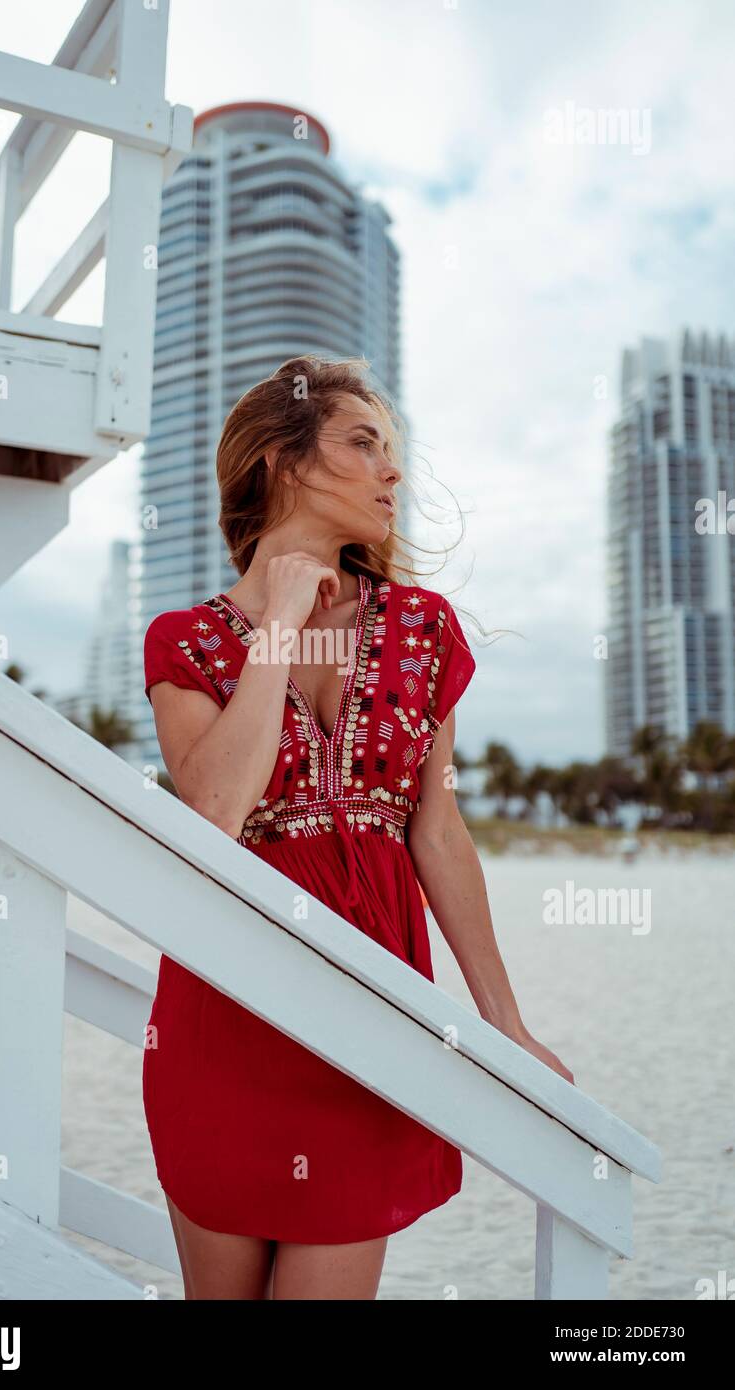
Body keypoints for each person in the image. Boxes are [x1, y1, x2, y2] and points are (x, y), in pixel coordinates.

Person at [142, 354, 572, 1301]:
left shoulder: (423, 630)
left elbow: (438, 832)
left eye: (393, 450)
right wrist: (282, 626)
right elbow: (214, 810)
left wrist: (505, 1022)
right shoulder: (185, 639)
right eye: (365, 443)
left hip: (371, 1020)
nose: (393, 473)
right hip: (224, 1028)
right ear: (284, 463)